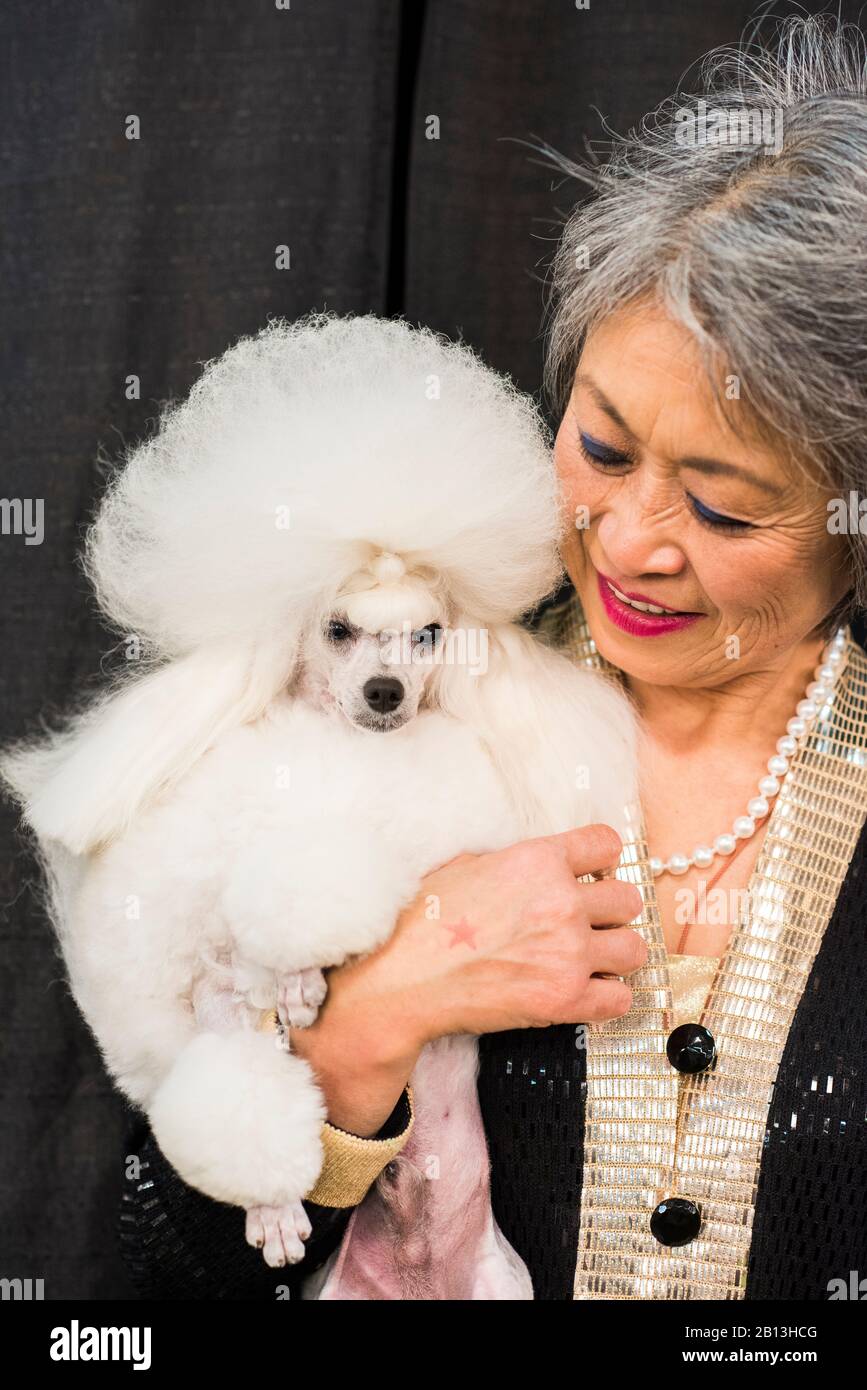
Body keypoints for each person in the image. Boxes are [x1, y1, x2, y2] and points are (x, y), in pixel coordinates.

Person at [119, 14, 867, 1299]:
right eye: (606, 448)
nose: (631, 544)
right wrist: (373, 1017)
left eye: (727, 506)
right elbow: (151, 1277)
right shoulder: (393, 714)